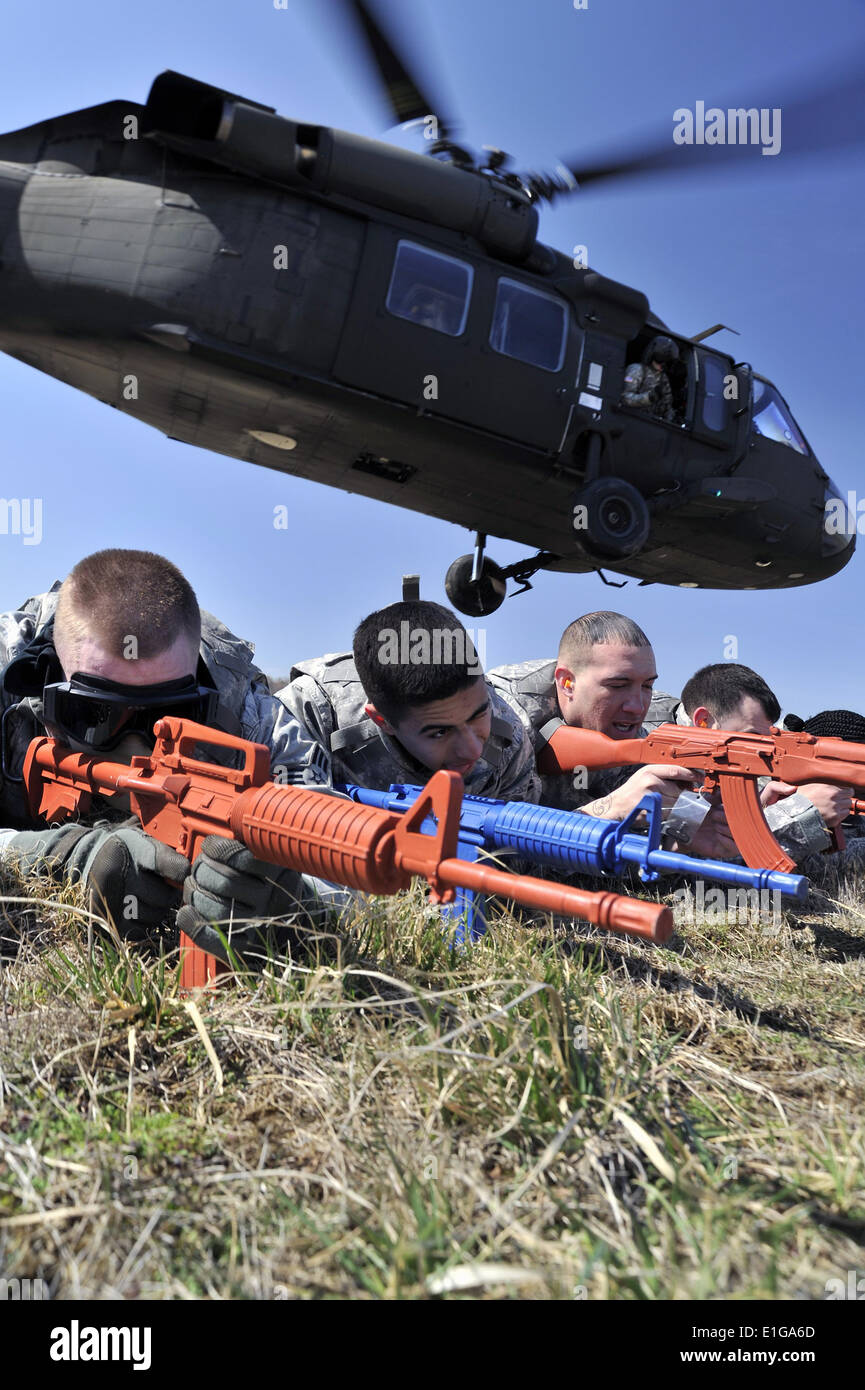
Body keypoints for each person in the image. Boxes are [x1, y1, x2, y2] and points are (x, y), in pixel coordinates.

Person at [0, 550, 347, 963]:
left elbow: (338, 857)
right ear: (50, 680)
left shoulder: (250, 717)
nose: (137, 753)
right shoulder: (9, 665)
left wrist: (290, 900)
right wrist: (67, 855)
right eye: (96, 715)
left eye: (169, 716)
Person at [277, 600, 539, 800]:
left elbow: (515, 860)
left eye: (479, 715)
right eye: (439, 732)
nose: (472, 749)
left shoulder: (507, 739)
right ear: (382, 720)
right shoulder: (315, 713)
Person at [488, 611, 715, 836]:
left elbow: (621, 865)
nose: (637, 707)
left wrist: (680, 840)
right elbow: (488, 851)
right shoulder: (502, 725)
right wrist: (609, 811)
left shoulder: (635, 743)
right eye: (617, 685)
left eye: (647, 686)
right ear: (567, 683)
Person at [645, 663, 851, 863]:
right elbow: (664, 861)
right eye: (751, 737)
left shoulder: (735, 758)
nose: (760, 749)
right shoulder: (646, 745)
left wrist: (759, 809)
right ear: (703, 721)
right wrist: (798, 813)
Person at [621, 335, 678, 423]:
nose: (662, 365)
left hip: (651, 423)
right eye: (660, 360)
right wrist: (649, 397)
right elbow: (625, 398)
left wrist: (671, 418)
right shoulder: (636, 370)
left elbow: (667, 405)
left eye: (667, 362)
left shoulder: (663, 378)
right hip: (630, 419)